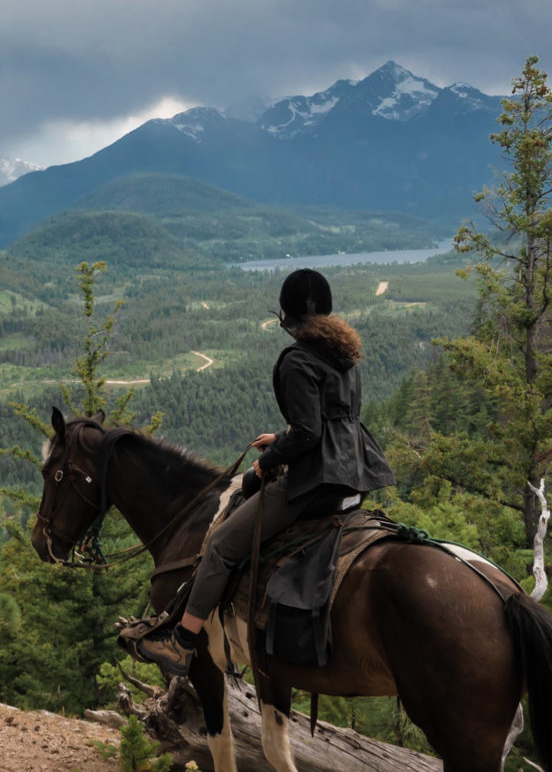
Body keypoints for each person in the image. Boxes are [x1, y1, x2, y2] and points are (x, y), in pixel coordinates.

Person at [134, 268, 396, 675]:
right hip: (354, 478)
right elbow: (333, 423)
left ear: (287, 316)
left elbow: (309, 433)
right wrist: (280, 437)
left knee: (220, 544)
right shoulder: (346, 356)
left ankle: (181, 642)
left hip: (315, 484)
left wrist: (267, 462)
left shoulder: (297, 360)